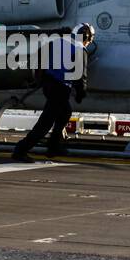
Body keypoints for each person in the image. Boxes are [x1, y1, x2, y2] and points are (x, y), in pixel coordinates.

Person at [11, 23, 94, 162]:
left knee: (65, 112)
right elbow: (80, 75)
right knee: (46, 122)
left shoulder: (58, 42)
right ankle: (21, 150)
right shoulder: (80, 49)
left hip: (49, 85)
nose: (89, 42)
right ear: (85, 36)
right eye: (89, 39)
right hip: (60, 88)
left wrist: (40, 79)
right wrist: (81, 92)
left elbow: (40, 57)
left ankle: (54, 145)